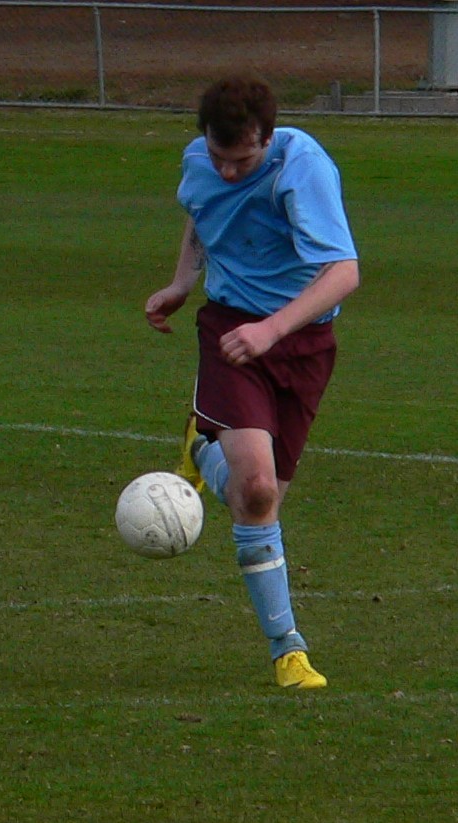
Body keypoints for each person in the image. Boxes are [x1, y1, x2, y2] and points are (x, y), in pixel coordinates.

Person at [144, 74, 359, 689]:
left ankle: (202, 450)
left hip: (302, 343)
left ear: (268, 137)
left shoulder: (301, 166)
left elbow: (343, 273)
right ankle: (288, 651)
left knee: (257, 501)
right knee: (258, 490)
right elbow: (201, 213)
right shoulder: (199, 162)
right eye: (218, 156)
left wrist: (274, 329)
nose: (228, 171)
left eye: (241, 161)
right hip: (232, 332)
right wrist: (182, 283)